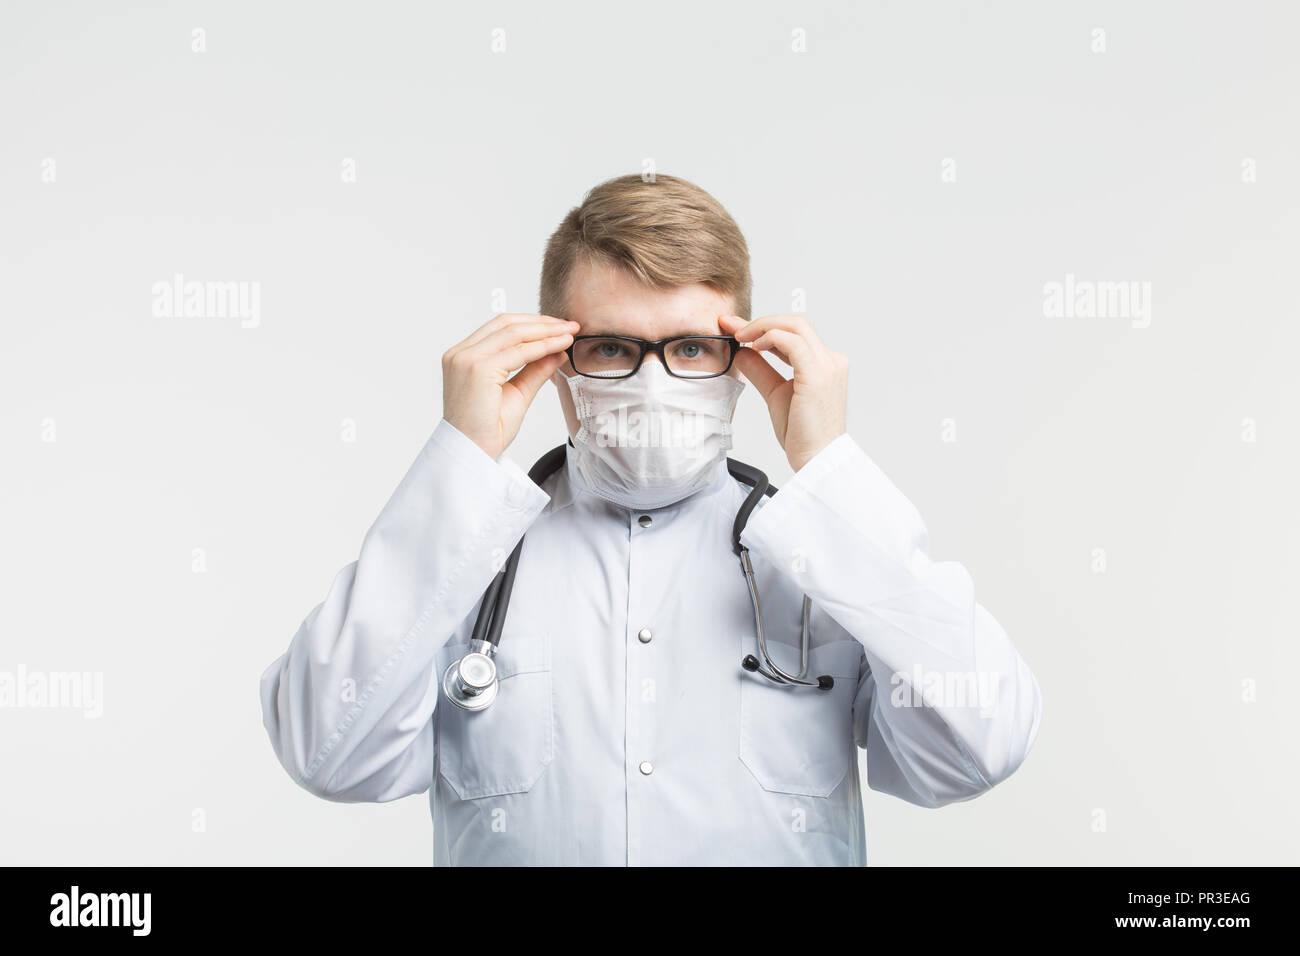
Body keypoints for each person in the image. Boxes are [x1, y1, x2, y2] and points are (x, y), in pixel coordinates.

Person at [258, 173, 1043, 865]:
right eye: (610, 349)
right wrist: (459, 461)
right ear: (555, 364)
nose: (656, 383)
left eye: (694, 349)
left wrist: (830, 469)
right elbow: (328, 752)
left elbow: (980, 745)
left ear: (744, 361)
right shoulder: (463, 558)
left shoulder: (823, 555)